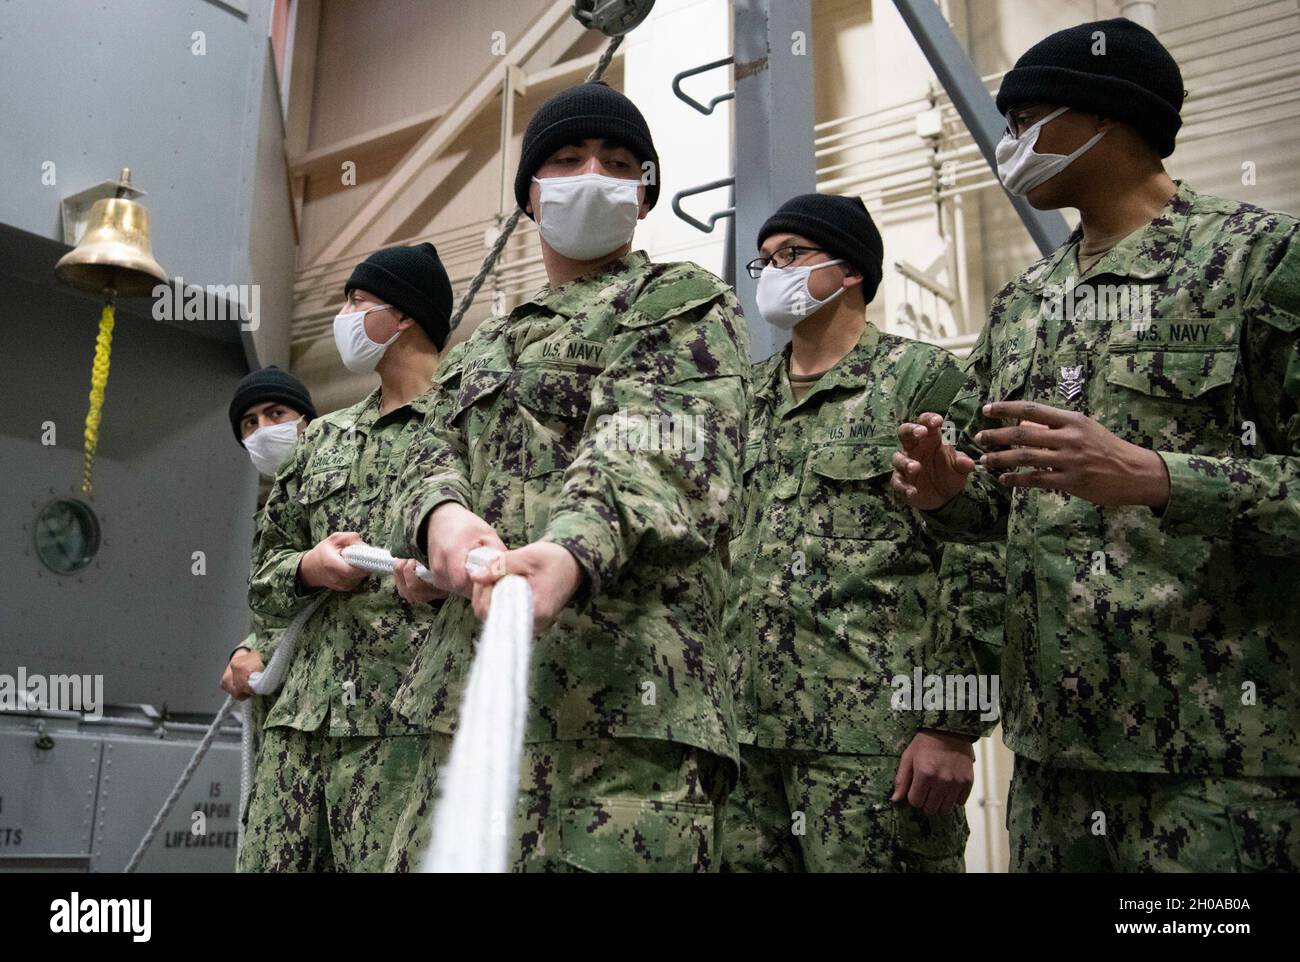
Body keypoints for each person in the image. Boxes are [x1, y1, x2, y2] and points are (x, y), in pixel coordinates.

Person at [892, 18, 1300, 871]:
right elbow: (996, 509)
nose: (1011, 145)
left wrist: (1155, 477)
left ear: (1109, 115)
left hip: (1215, 763)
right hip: (1054, 762)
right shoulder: (1025, 302)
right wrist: (947, 492)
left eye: (1028, 119)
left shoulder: (1258, 264)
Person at [384, 81, 750, 872]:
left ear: (645, 195)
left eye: (619, 163)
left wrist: (572, 550)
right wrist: (442, 522)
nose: (594, 173)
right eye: (568, 158)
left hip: (619, 719)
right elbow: (421, 452)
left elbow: (659, 445)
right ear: (530, 196)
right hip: (464, 708)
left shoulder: (680, 303)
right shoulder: (486, 346)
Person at [722, 193, 1002, 872]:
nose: (774, 271)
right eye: (765, 262)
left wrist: (951, 726)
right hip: (745, 746)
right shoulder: (743, 397)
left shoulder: (920, 378)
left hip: (875, 747)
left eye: (792, 254)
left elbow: (984, 546)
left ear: (850, 270)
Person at [240, 242, 454, 872]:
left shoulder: (471, 419)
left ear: (405, 314)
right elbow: (264, 576)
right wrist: (307, 569)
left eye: (359, 302)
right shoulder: (326, 438)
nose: (345, 317)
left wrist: (447, 579)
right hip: (301, 724)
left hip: (409, 728)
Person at [220, 366, 316, 785]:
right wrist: (244, 651)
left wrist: (262, 651)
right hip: (281, 713)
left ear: (306, 421)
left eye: (276, 414)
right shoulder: (271, 511)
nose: (262, 430)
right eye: (249, 422)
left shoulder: (336, 491)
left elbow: (333, 601)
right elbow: (276, 612)